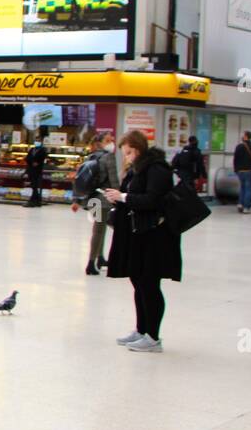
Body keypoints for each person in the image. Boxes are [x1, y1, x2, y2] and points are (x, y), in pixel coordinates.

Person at [101, 130, 181, 354]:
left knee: (149, 284)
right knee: (138, 281)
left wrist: (124, 197)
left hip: (155, 236)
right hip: (138, 233)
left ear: (138, 149)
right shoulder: (138, 169)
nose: (126, 157)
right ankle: (141, 329)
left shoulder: (157, 168)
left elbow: (153, 200)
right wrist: (119, 196)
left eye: (128, 152)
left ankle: (153, 337)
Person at [72, 133, 119, 275]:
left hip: (92, 199)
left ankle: (100, 257)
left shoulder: (91, 156)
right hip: (103, 200)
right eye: (108, 140)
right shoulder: (108, 157)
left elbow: (81, 179)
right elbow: (113, 180)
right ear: (101, 142)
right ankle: (91, 263)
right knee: (98, 231)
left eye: (112, 140)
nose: (112, 142)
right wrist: (119, 196)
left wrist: (77, 200)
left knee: (100, 228)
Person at [233, 131, 251, 213]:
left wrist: (236, 169)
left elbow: (235, 159)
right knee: (248, 188)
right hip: (250, 170)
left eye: (243, 135)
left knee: (242, 187)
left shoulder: (239, 147)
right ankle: (246, 207)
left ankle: (240, 203)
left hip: (240, 171)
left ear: (246, 136)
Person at [24, 137, 49, 207]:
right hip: (30, 169)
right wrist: (32, 162)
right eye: (36, 140)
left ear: (41, 142)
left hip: (37, 170)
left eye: (38, 141)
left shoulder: (43, 150)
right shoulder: (32, 149)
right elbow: (27, 158)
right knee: (33, 185)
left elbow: (42, 158)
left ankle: (33, 200)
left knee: (34, 185)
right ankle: (37, 200)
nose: (37, 142)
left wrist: (37, 162)